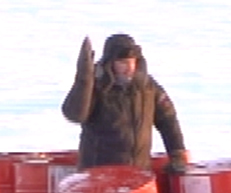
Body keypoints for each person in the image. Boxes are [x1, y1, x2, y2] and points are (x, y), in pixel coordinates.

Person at [60, 33, 188, 173]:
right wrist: (84, 79)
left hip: (138, 173)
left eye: (132, 61)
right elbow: (75, 114)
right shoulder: (96, 86)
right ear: (110, 63)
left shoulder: (148, 88)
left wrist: (177, 154)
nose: (130, 67)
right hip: (99, 175)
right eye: (123, 63)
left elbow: (168, 120)